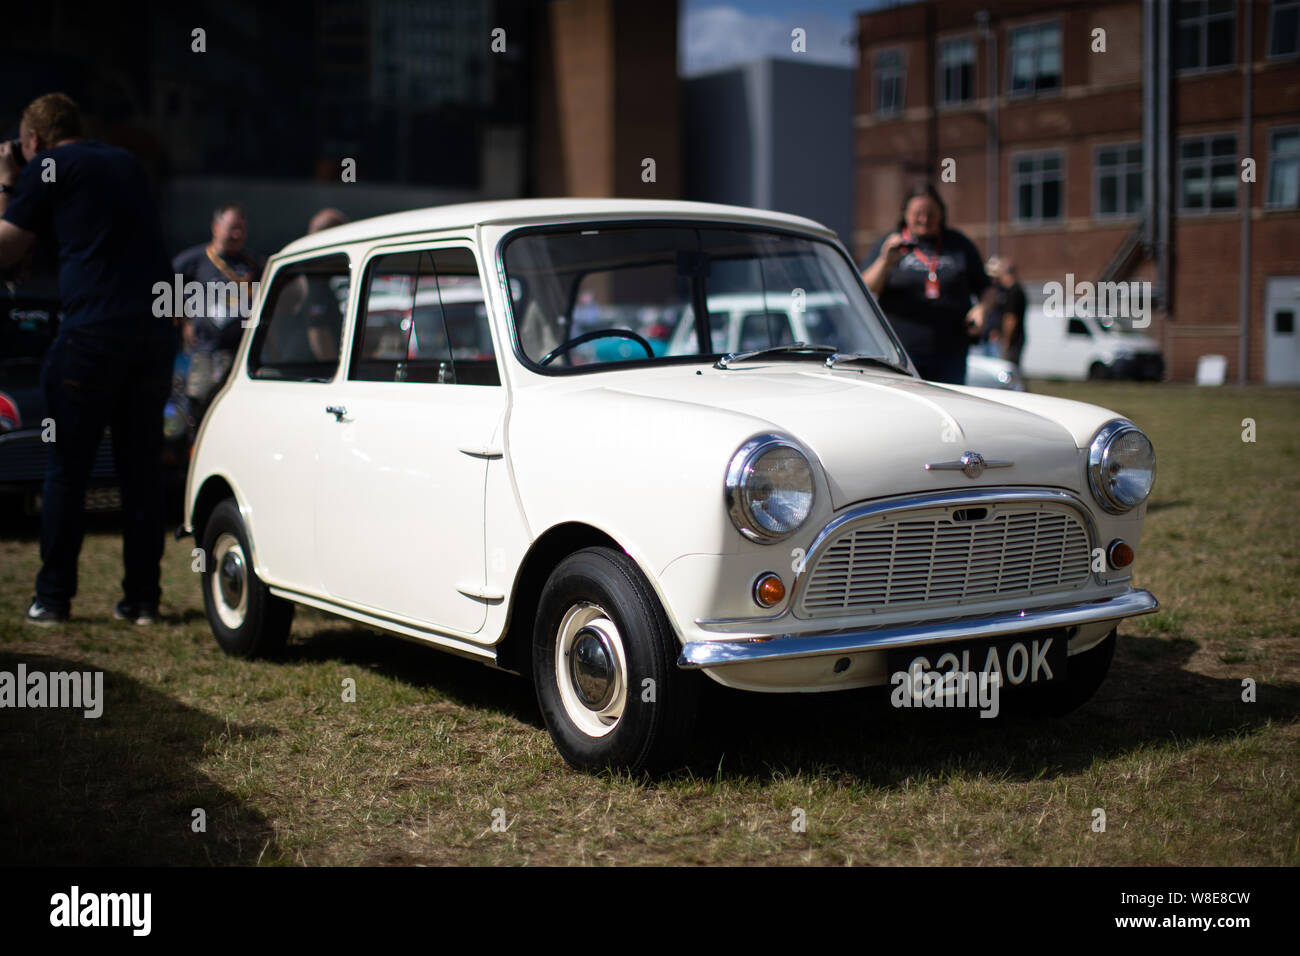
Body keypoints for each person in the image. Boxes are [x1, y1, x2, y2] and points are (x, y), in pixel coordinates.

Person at [0, 92, 179, 625]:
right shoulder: (124, 161)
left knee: (67, 470)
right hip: (152, 334)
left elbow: (6, 248)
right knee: (140, 472)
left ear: (33, 139)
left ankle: (53, 599)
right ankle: (143, 601)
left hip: (91, 337)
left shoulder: (49, 164)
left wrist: (9, 179)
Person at [861, 182, 996, 384]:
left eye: (931, 214)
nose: (924, 220)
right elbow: (866, 287)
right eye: (918, 214)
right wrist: (885, 262)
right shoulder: (891, 243)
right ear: (905, 214)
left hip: (951, 351)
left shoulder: (958, 244)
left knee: (950, 405)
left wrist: (982, 309)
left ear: (941, 214)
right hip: (902, 352)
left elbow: (987, 288)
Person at [172, 202, 262, 422]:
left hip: (239, 355)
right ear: (216, 227)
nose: (237, 234)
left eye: (241, 228)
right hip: (203, 352)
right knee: (199, 406)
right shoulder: (195, 260)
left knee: (236, 410)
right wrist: (184, 322)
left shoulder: (252, 263)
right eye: (231, 227)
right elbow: (166, 286)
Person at [987, 256, 1027, 368]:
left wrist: (1005, 341)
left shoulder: (1014, 292)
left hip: (1012, 341)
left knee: (1007, 369)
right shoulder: (1004, 290)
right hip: (1003, 338)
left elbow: (1010, 319)